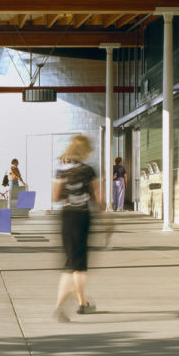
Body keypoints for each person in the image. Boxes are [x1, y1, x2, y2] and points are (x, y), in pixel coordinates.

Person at [51, 133, 103, 320]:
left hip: (66, 217)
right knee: (79, 265)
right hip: (82, 217)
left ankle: (82, 302)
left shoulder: (62, 171)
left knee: (70, 261)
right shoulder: (89, 170)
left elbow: (55, 197)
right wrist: (106, 220)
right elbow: (99, 199)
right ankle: (63, 306)